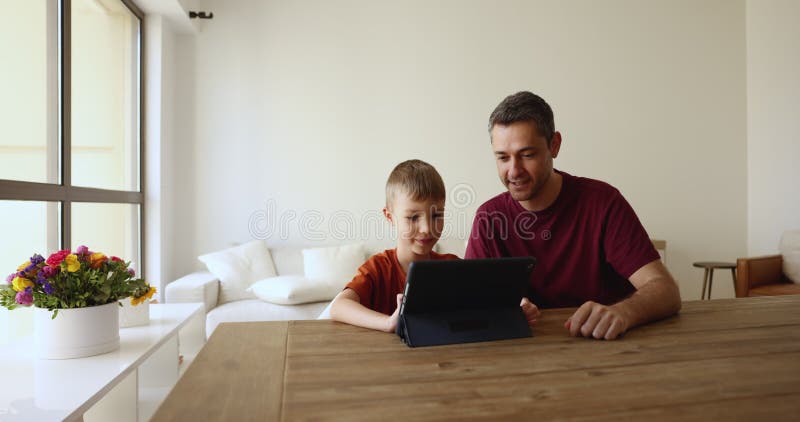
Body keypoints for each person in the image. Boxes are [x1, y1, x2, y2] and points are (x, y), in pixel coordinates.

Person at [465, 91, 681, 340]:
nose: (514, 171)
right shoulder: (489, 218)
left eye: (527, 155)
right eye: (503, 157)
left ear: (554, 145)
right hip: (520, 358)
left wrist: (624, 312)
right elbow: (470, 306)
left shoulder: (603, 203)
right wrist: (501, 308)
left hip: (605, 350)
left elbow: (666, 290)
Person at [330, 159, 542, 332]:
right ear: (390, 216)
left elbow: (490, 301)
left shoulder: (453, 267)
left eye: (437, 215)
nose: (426, 228)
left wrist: (517, 305)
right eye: (413, 217)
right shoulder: (378, 268)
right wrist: (388, 323)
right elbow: (338, 307)